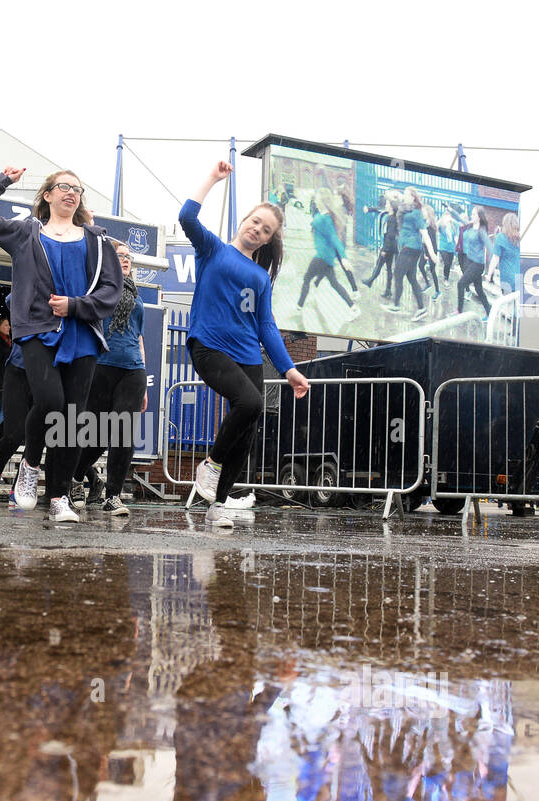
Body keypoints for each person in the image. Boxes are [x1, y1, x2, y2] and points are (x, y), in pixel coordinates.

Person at [0, 166, 123, 522]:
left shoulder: (96, 240)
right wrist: (2, 180)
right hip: (36, 329)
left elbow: (112, 289)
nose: (71, 192)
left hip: (81, 331)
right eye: (63, 186)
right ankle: (30, 465)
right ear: (47, 195)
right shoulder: (25, 234)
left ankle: (60, 496)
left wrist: (77, 306)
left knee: (72, 419)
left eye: (77, 189)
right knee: (50, 401)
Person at [179, 160, 310, 528]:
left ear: (269, 239)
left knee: (248, 433)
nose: (257, 229)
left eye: (265, 230)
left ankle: (217, 504)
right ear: (244, 221)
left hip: (248, 354)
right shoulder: (213, 250)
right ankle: (211, 464)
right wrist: (212, 177)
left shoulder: (261, 277)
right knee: (249, 401)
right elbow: (187, 217)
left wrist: (290, 370)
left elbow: (266, 326)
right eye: (255, 222)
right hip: (209, 345)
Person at [69, 241, 148, 515]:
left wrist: (145, 382)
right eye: (119, 256)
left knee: (124, 431)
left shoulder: (136, 295)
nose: (125, 260)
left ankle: (113, 495)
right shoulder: (99, 287)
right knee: (98, 434)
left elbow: (138, 338)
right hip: (102, 366)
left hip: (133, 369)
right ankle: (76, 477)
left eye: (128, 257)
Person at [0, 341, 32, 500]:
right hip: (19, 368)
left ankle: (18, 486)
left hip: (48, 371)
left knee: (34, 437)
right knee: (14, 435)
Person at [296, 189, 357, 311]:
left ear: (322, 200)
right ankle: (353, 307)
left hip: (322, 256)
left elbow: (334, 238)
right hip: (326, 256)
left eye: (317, 198)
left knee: (307, 278)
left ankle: (299, 305)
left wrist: (343, 257)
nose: (315, 199)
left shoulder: (327, 218)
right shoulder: (322, 214)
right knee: (334, 283)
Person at [386, 187, 436, 320]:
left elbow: (424, 233)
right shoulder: (405, 209)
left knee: (397, 273)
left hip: (411, 247)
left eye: (407, 194)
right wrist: (394, 194)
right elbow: (391, 199)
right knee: (411, 278)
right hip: (409, 247)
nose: (404, 196)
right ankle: (422, 309)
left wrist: (432, 254)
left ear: (413, 197)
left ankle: (396, 304)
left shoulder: (416, 212)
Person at [457, 208, 493, 317]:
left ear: (479, 217)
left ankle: (459, 311)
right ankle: (489, 311)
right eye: (471, 213)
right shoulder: (470, 226)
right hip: (470, 261)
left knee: (461, 284)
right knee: (479, 289)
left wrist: (490, 270)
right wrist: (449, 209)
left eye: (473, 214)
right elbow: (459, 218)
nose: (471, 215)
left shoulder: (481, 231)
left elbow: (490, 248)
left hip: (478, 264)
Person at [485, 213, 521, 295]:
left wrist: (489, 274)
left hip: (507, 277)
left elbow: (495, 258)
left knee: (507, 303)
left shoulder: (500, 237)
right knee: (516, 302)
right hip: (519, 276)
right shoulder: (519, 238)